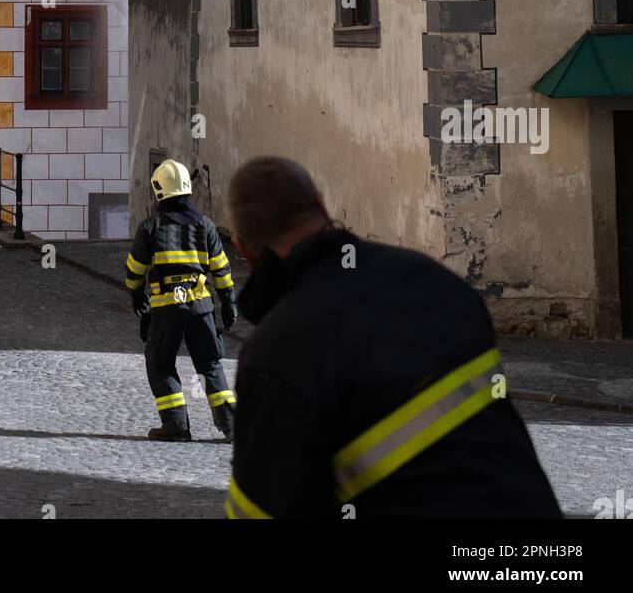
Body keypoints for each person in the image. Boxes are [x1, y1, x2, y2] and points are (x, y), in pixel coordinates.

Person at [224, 155, 562, 520]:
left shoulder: (275, 354)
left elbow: (260, 509)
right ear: (320, 202)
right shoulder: (433, 280)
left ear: (243, 249)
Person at [124, 158, 237, 442]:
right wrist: (229, 302)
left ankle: (175, 426)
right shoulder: (205, 226)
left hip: (167, 309)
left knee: (160, 363)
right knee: (210, 364)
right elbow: (221, 270)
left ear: (159, 190)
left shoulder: (150, 228)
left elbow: (134, 271)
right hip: (201, 306)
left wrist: (139, 299)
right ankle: (231, 425)